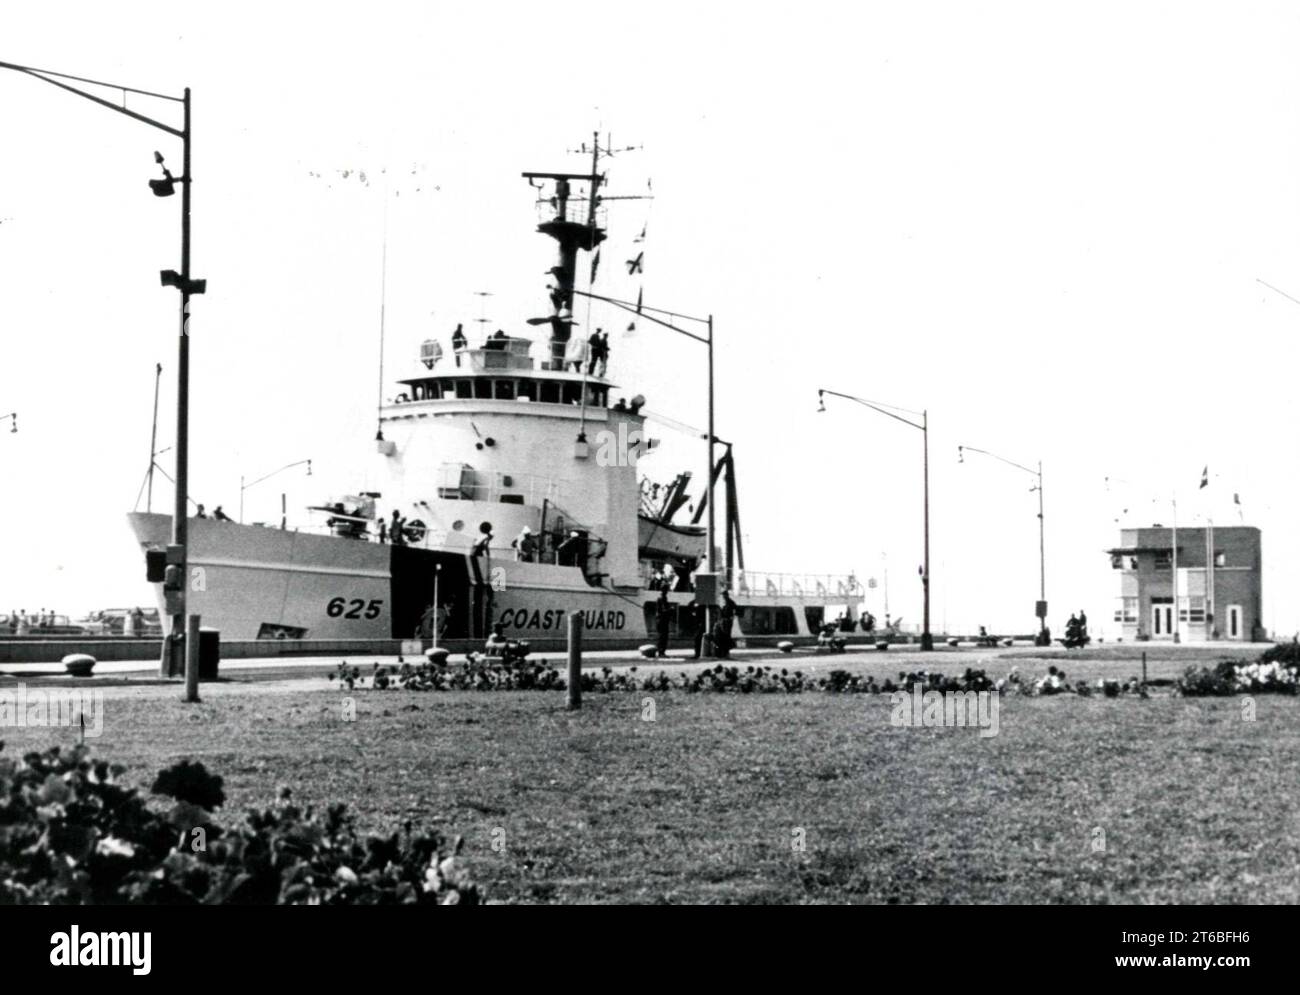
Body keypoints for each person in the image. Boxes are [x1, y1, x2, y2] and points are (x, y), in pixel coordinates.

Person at [655, 590, 672, 658]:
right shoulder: (662, 599)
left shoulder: (660, 598)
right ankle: (661, 652)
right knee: (663, 637)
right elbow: (663, 610)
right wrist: (670, 609)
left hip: (660, 620)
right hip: (662, 620)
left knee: (662, 637)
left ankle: (661, 651)